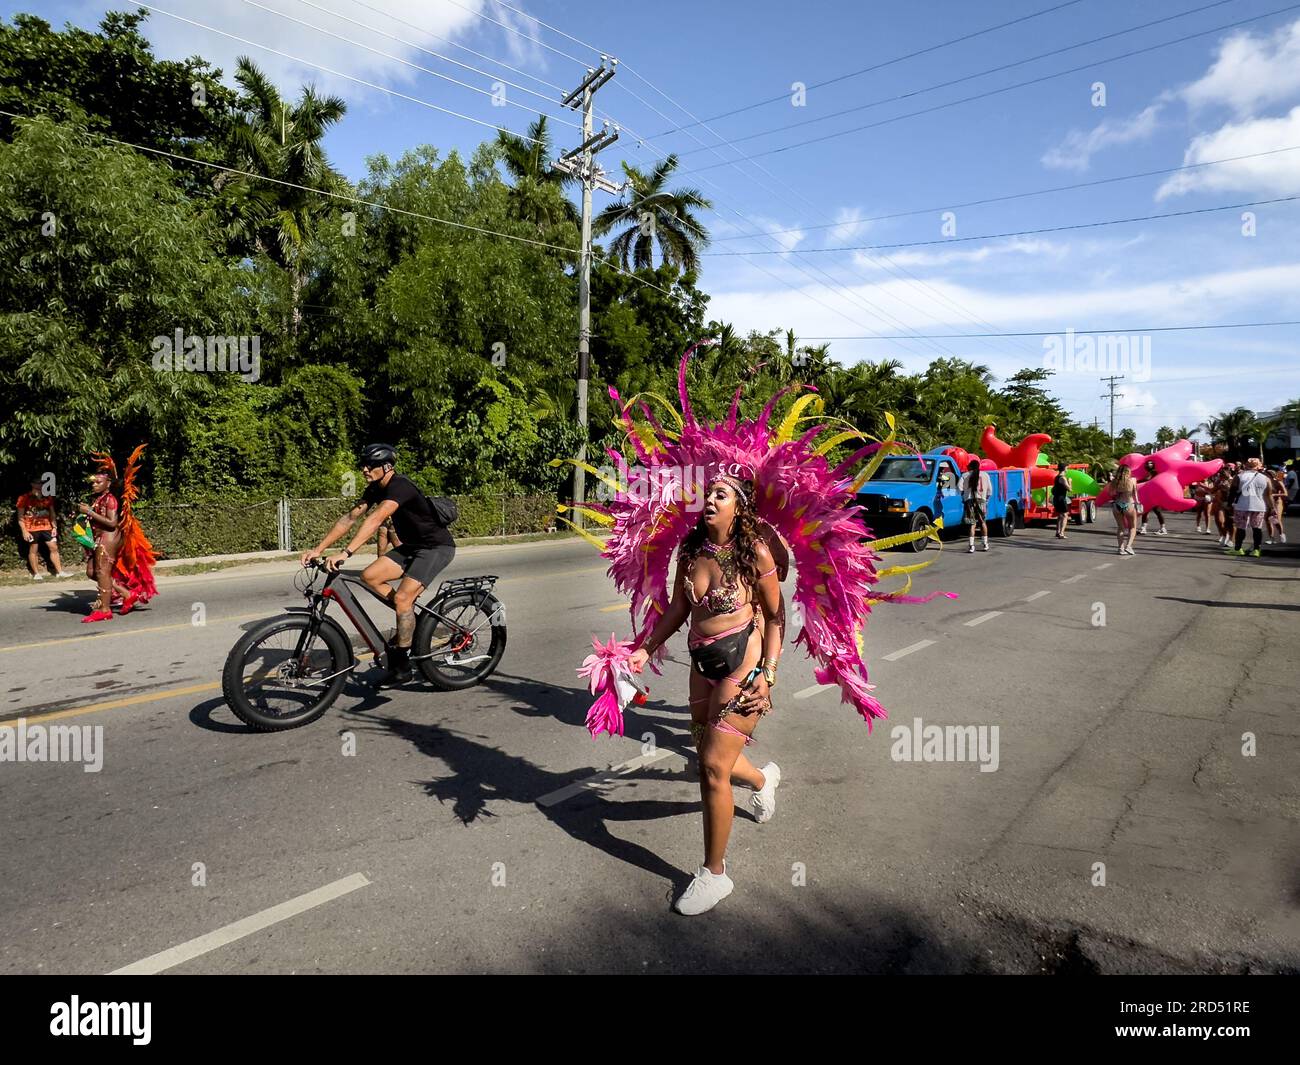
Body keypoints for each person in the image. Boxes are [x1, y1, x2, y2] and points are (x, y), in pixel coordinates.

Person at [628, 471, 783, 915]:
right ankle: (761, 778)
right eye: (707, 493)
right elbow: (680, 606)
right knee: (708, 754)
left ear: (740, 506)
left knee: (713, 769)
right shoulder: (692, 548)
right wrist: (646, 649)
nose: (710, 500)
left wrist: (767, 676)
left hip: (744, 666)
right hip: (701, 666)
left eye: (721, 494)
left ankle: (714, 875)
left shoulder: (754, 552)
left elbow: (775, 617)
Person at [302, 444, 455, 686]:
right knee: (370, 576)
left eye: (370, 465)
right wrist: (318, 550)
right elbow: (350, 518)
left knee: (403, 599)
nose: (364, 469)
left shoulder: (400, 486)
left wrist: (345, 553)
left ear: (387, 466)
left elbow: (376, 519)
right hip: (411, 547)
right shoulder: (375, 488)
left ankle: (402, 666)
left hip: (435, 547)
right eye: (362, 465)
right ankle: (409, 620)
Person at [15, 477, 69, 580]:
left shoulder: (47, 497)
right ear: (32, 484)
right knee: (33, 549)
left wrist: (54, 527)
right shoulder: (24, 498)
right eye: (38, 483)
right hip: (31, 527)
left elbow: (52, 513)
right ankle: (36, 574)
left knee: (54, 547)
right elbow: (20, 517)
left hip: (47, 526)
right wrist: (24, 531)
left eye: (42, 483)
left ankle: (59, 572)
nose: (40, 485)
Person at [1226, 458, 1270, 557]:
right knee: (1257, 528)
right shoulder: (1265, 478)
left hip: (1242, 505)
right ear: (1259, 466)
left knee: (1241, 527)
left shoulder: (1239, 476)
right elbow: (1268, 494)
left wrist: (1229, 504)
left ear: (1246, 465)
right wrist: (1272, 507)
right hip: (1259, 506)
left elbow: (1232, 491)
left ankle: (1238, 549)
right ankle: (1256, 550)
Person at [959, 458, 992, 553]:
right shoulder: (985, 475)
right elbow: (990, 490)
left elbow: (959, 487)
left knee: (972, 524)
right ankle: (985, 544)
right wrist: (986, 499)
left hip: (969, 501)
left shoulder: (965, 475)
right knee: (982, 522)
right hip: (981, 500)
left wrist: (964, 494)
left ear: (970, 467)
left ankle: (971, 546)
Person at [1111, 465, 1140, 555]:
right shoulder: (1133, 480)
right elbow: (1135, 493)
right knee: (1132, 527)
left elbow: (1111, 493)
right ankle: (1128, 546)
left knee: (1121, 528)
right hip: (1129, 504)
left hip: (1117, 505)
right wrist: (1138, 502)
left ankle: (1120, 548)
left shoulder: (1114, 481)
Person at [1265, 467, 1287, 545]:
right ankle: (1272, 538)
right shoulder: (1266, 482)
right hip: (1268, 502)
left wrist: (1274, 494)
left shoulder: (1278, 482)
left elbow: (1285, 494)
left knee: (1276, 519)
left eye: (1266, 475)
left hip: (1277, 502)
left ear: (1271, 475)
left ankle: (1281, 534)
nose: (1265, 476)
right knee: (1267, 520)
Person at [1051, 463, 1071, 539]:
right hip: (1061, 498)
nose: (1067, 469)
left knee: (1060, 515)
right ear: (1064, 468)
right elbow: (1069, 489)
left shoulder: (1056, 477)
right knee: (1065, 515)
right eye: (1067, 468)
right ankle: (1061, 533)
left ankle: (1058, 532)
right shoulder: (1063, 478)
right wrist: (1070, 482)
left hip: (1056, 498)